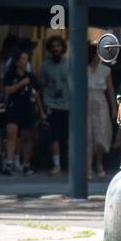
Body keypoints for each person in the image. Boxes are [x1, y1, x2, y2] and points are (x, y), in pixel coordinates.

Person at [2, 49, 43, 175]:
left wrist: (35, 98)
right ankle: (9, 162)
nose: (25, 62)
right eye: (23, 59)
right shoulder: (10, 75)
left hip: (27, 107)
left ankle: (26, 164)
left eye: (26, 59)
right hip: (14, 106)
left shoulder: (30, 76)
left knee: (27, 136)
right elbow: (7, 90)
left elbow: (37, 91)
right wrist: (21, 84)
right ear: (17, 61)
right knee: (12, 133)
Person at [40, 36, 70, 175]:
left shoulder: (69, 63)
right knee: (55, 136)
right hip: (52, 104)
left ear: (62, 47)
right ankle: (56, 164)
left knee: (69, 136)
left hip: (69, 105)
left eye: (58, 46)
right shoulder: (45, 65)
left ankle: (70, 163)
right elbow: (42, 85)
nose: (56, 49)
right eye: (53, 46)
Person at [87, 41, 116, 179]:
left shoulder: (105, 70)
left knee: (100, 134)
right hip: (86, 104)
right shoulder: (83, 69)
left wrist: (114, 108)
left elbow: (110, 91)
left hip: (100, 103)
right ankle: (88, 167)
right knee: (87, 134)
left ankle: (99, 164)